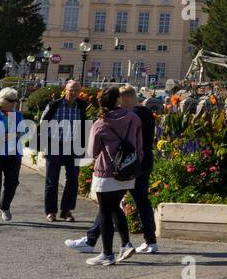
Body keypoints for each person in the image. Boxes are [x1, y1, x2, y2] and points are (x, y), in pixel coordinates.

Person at [67, 87, 160, 254]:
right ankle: (150, 240)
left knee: (108, 205)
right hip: (141, 163)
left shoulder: (120, 118)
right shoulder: (145, 114)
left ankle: (93, 241)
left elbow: (94, 149)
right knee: (140, 202)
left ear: (123, 99)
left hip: (118, 166)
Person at [80, 86, 141, 265]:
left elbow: (92, 151)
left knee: (105, 211)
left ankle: (107, 253)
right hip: (128, 170)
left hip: (106, 171)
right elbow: (139, 146)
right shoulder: (133, 118)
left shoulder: (101, 123)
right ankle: (126, 243)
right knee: (115, 207)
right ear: (118, 100)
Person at [41, 79, 88, 221]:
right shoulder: (54, 105)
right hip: (54, 144)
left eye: (76, 90)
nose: (73, 93)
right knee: (52, 179)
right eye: (71, 89)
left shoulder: (81, 105)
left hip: (74, 145)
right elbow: (43, 124)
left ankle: (66, 211)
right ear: (65, 90)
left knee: (73, 179)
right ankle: (51, 211)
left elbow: (84, 125)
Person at [0, 88, 30, 225]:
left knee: (12, 183)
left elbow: (24, 131)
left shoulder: (17, 115)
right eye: (11, 100)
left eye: (15, 100)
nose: (14, 103)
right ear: (3, 101)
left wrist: (9, 135)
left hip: (13, 154)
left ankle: (5, 206)